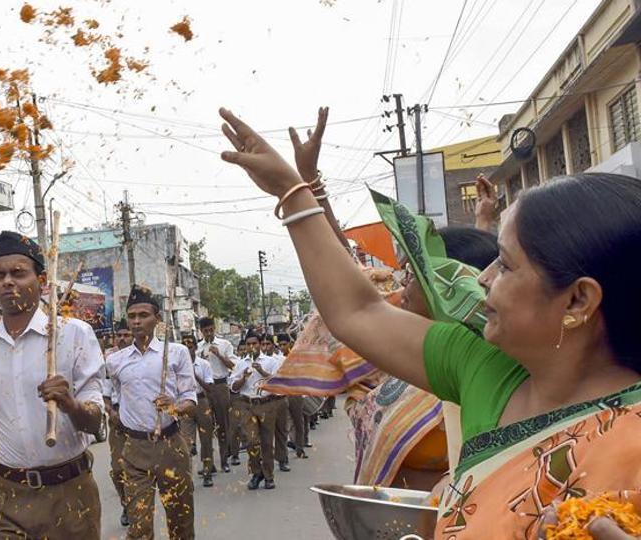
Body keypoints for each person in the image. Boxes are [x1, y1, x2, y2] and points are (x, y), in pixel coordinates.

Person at [219, 106, 641, 538]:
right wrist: (291, 191)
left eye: (507, 265)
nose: (483, 277)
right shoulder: (486, 365)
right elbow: (358, 312)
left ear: (578, 299)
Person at [0, 231, 104, 540]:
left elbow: (96, 421)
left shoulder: (73, 334)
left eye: (18, 273)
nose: (7, 282)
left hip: (70, 494)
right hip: (5, 495)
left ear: (41, 281)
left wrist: (70, 404)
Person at [106, 285, 196, 539]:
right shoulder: (115, 361)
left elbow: (190, 399)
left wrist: (174, 406)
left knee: (181, 520)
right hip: (134, 449)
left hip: (171, 444)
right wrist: (115, 415)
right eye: (132, 316)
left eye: (143, 315)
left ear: (157, 318)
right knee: (139, 526)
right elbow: (111, 395)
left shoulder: (176, 353)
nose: (136, 321)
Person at [230, 331, 285, 490]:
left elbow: (277, 383)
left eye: (254, 344)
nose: (251, 347)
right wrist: (243, 378)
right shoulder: (241, 364)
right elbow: (233, 387)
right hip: (247, 405)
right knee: (251, 441)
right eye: (248, 344)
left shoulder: (271, 361)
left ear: (260, 345)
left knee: (267, 442)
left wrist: (261, 371)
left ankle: (268, 476)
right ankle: (256, 472)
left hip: (267, 404)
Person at [103, 318, 133, 527]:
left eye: (126, 335)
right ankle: (127, 505)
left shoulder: (146, 359)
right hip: (118, 420)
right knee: (117, 469)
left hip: (143, 421)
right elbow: (104, 395)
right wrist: (112, 413)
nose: (122, 339)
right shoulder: (110, 362)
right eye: (119, 335)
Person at [197, 317, 237, 473]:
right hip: (204, 389)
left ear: (214, 328)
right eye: (205, 331)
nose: (208, 333)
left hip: (220, 386)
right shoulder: (198, 347)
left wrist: (219, 355)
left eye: (211, 330)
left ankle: (225, 459)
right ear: (201, 331)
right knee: (206, 427)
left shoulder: (224, 344)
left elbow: (233, 365)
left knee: (223, 424)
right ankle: (208, 463)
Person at [180, 333, 216, 487]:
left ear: (195, 347)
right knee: (186, 443)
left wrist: (194, 376)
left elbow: (210, 388)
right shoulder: (177, 366)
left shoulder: (204, 365)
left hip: (201, 401)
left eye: (190, 345)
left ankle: (208, 472)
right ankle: (187, 478)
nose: (187, 348)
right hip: (185, 404)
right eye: (184, 346)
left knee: (206, 440)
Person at [260, 335, 292, 473]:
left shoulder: (282, 360)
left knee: (281, 431)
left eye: (268, 344)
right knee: (266, 435)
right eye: (263, 344)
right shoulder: (257, 361)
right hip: (265, 401)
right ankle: (266, 463)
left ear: (274, 345)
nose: (266, 347)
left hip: (279, 399)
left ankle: (282, 459)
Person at [276, 334, 308, 459]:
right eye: (280, 345)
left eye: (285, 344)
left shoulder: (297, 357)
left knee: (298, 421)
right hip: (281, 394)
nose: (282, 347)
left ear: (290, 344)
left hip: (295, 393)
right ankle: (283, 454)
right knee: (283, 425)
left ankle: (300, 448)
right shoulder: (276, 359)